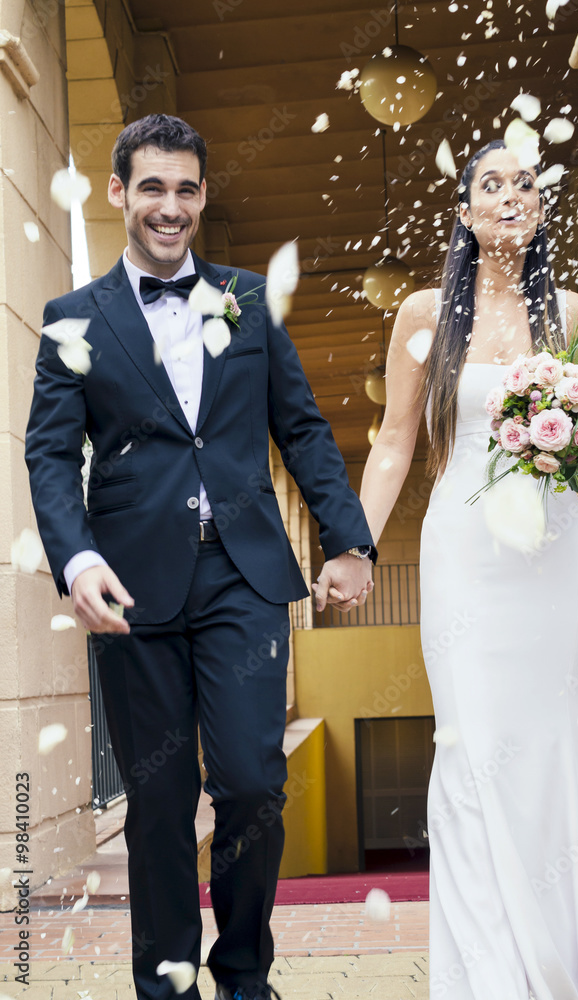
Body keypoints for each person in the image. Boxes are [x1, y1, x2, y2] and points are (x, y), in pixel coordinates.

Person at [25, 114, 376, 1000]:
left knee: (255, 785)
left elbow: (299, 425)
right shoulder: (74, 318)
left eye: (186, 188)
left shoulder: (248, 301)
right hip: (132, 585)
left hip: (244, 577)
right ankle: (168, 985)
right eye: (152, 187)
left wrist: (349, 539)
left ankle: (246, 975)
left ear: (204, 195)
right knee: (157, 805)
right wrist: (75, 560)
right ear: (118, 193)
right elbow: (50, 453)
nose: (169, 206)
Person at [359, 140, 578, 1000]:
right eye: (492, 183)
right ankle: (486, 980)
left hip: (553, 558)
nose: (510, 195)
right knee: (473, 748)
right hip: (466, 553)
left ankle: (569, 964)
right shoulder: (420, 313)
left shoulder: (575, 311)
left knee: (555, 750)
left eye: (526, 183)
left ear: (542, 206)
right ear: (465, 207)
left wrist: (574, 441)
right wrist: (354, 547)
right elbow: (397, 442)